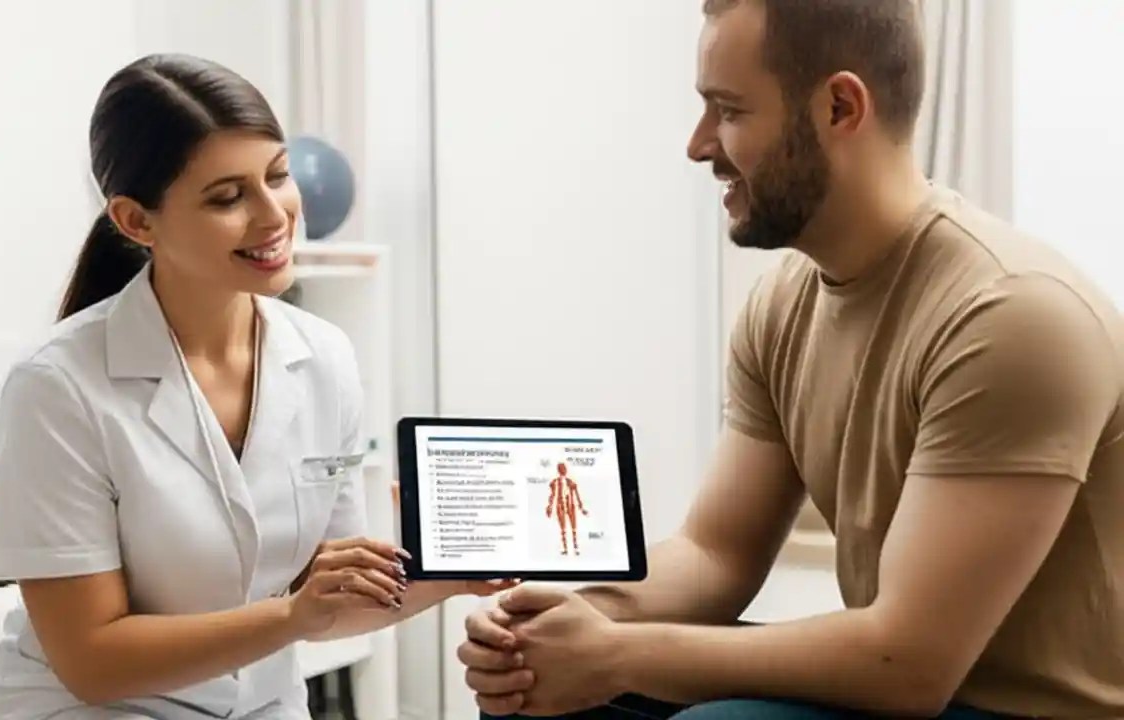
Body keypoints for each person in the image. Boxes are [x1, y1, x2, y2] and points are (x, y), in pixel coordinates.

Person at [458, 0, 1124, 718]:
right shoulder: (782, 304)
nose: (698, 145)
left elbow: (910, 662)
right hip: (905, 679)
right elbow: (714, 556)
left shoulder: (1013, 315)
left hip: (1022, 707)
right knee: (535, 688)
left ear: (840, 107)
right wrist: (565, 620)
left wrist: (617, 652)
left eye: (729, 111)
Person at [0, 53, 513, 720]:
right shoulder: (56, 389)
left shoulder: (324, 357)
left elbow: (329, 605)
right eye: (228, 197)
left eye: (278, 175)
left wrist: (447, 575)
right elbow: (92, 662)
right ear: (136, 221)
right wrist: (291, 616)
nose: (274, 215)